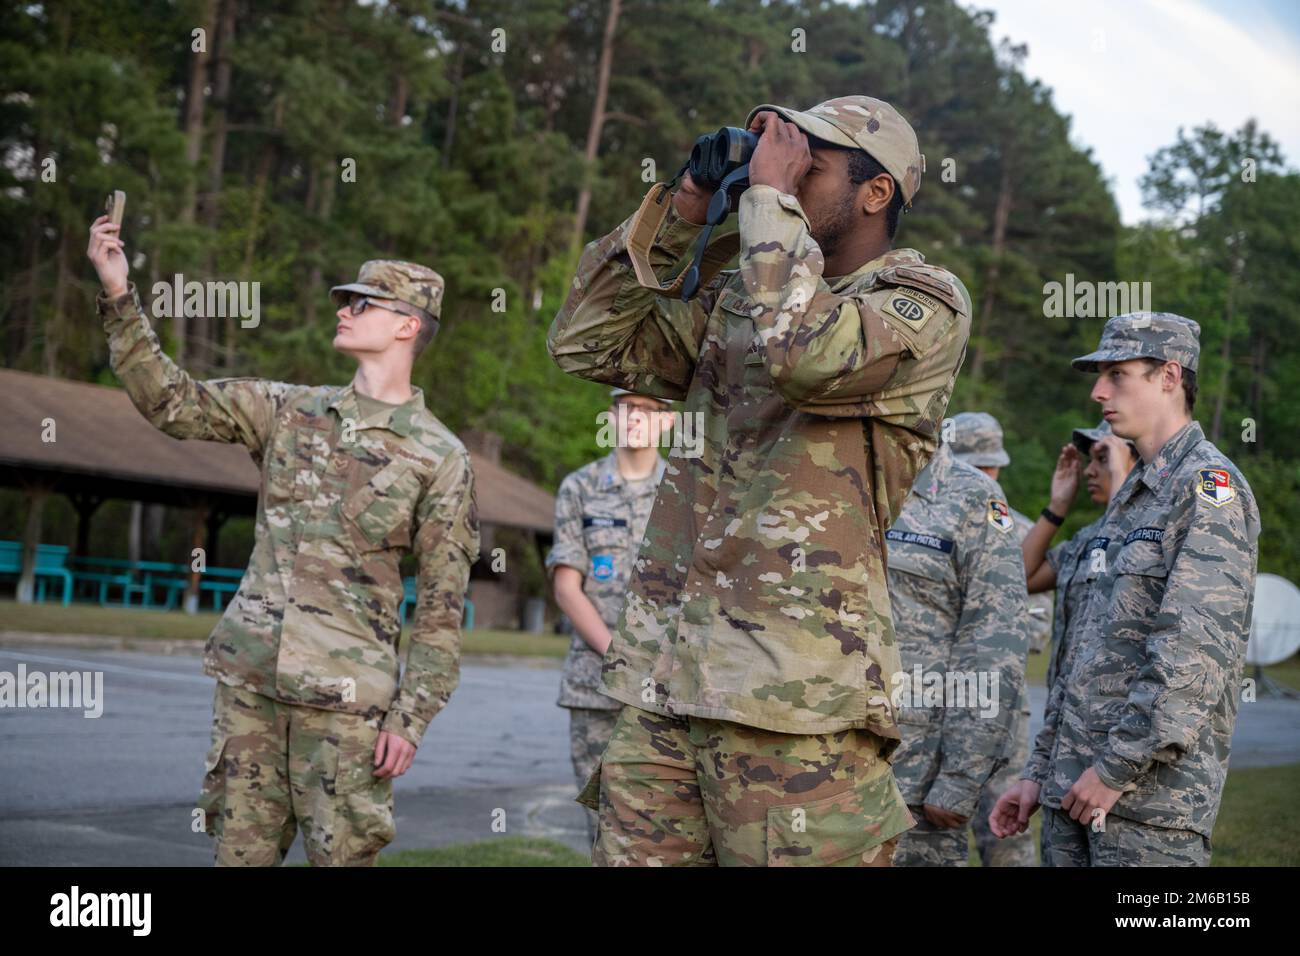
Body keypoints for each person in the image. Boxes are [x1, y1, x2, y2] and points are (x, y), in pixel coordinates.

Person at [549, 94, 972, 866]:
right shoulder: (744, 294)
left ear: (876, 193)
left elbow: (808, 360)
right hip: (665, 677)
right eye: (780, 150)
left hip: (791, 697)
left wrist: (769, 202)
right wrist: (685, 210)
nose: (781, 167)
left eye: (811, 159)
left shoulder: (921, 302)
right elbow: (588, 344)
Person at [87, 216, 479, 866]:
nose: (344, 310)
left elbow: (441, 609)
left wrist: (410, 720)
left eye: (364, 303)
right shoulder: (289, 410)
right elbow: (172, 402)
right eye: (344, 300)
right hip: (250, 692)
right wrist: (119, 294)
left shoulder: (440, 457)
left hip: (347, 713)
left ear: (409, 326)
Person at [990, 312, 1260, 866]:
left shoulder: (1209, 489)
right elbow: (1080, 658)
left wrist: (1114, 769)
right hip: (1070, 794)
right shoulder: (1128, 502)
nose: (1098, 391)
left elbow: (1193, 654)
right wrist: (1039, 775)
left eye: (1117, 374)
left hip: (1146, 809)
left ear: (1168, 375)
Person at [885, 438, 1028, 867]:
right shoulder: (828, 477)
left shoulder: (971, 496)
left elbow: (992, 644)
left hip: (912, 781)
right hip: (811, 772)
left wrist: (959, 780)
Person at [546, 388, 673, 845]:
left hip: (667, 689)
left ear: (668, 422)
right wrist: (619, 656)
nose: (635, 417)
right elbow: (566, 586)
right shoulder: (580, 487)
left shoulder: (685, 493)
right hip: (595, 684)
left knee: (665, 827)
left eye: (648, 409)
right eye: (625, 408)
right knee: (603, 826)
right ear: (610, 418)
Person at [946, 410, 1045, 867]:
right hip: (931, 698)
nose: (985, 477)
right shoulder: (922, 522)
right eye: (974, 466)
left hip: (999, 704)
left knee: (1005, 833)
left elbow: (1037, 628)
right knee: (925, 831)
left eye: (990, 467)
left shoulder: (1022, 533)